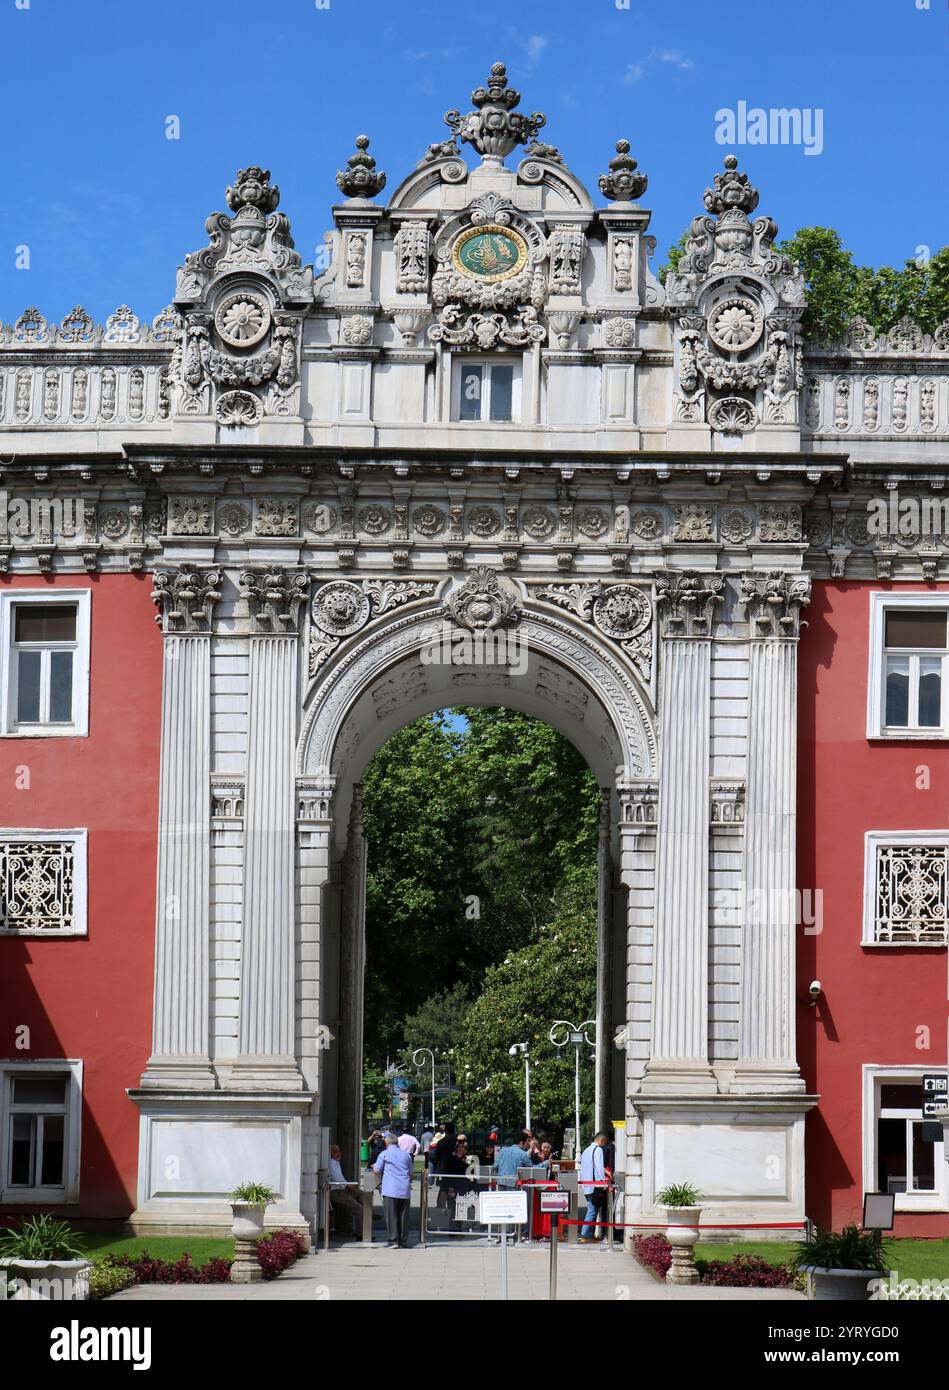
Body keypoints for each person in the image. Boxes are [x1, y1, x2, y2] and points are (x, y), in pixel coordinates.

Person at [373, 1132, 414, 1248]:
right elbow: (410, 1173)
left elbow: (376, 1170)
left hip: (390, 1190)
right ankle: (403, 1240)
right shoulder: (407, 1155)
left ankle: (393, 1240)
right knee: (403, 1216)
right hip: (404, 1190)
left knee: (391, 1216)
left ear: (386, 1143)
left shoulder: (384, 1154)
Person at [579, 1131, 609, 1242]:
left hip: (586, 1184)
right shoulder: (598, 1150)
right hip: (594, 1185)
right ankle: (585, 1234)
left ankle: (589, 1235)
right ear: (602, 1140)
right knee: (592, 1210)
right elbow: (598, 1166)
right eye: (604, 1142)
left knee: (592, 1209)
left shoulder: (586, 1150)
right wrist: (602, 1182)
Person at [327, 1143, 362, 1237]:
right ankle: (361, 1234)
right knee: (358, 1208)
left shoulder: (337, 1163)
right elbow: (338, 1179)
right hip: (336, 1191)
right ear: (330, 1153)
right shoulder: (331, 1163)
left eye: (339, 1151)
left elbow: (342, 1179)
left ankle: (369, 1213)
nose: (338, 1153)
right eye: (335, 1152)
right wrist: (348, 1186)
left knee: (363, 1195)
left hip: (342, 1188)